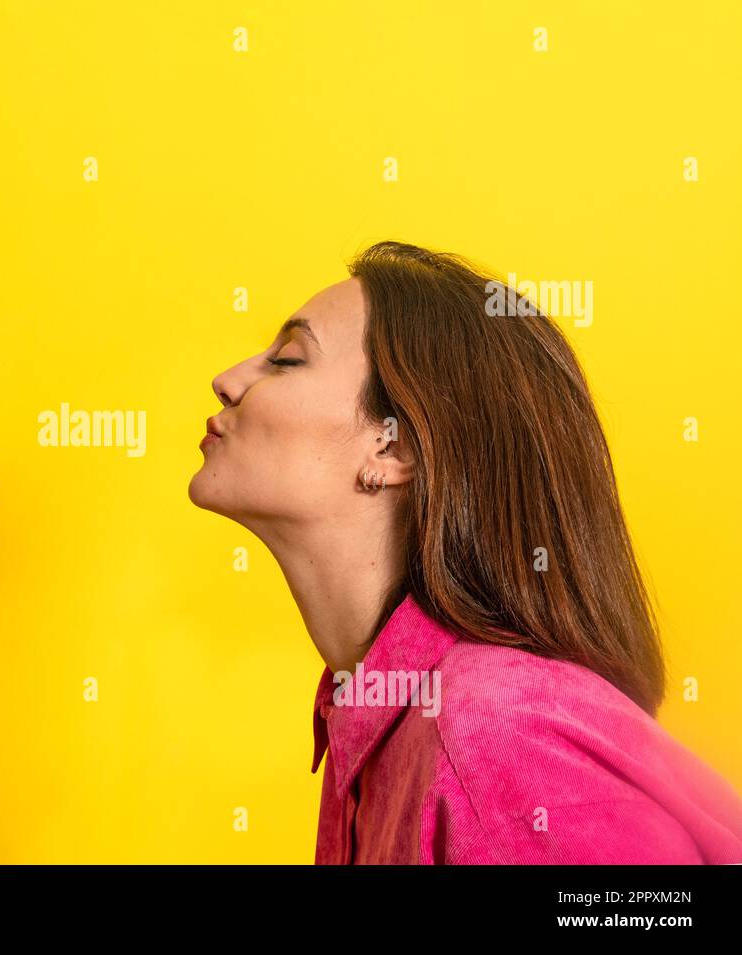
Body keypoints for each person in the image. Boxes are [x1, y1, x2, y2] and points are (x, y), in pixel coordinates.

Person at [188, 240, 742, 864]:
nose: (228, 379)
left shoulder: (487, 728)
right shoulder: (378, 714)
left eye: (286, 360)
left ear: (393, 450)